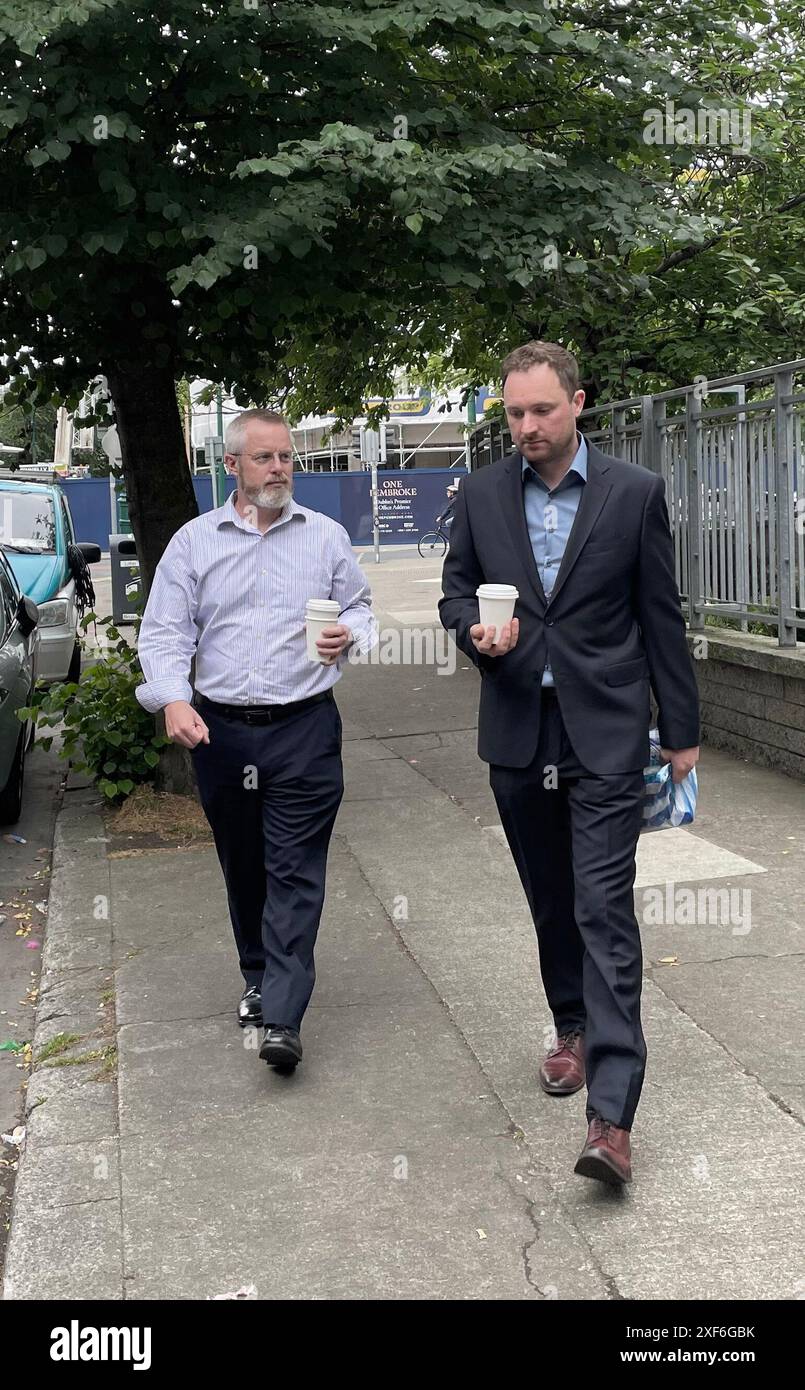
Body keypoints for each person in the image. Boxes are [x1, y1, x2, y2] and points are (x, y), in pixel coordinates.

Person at [439, 341, 700, 1185]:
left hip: (607, 734)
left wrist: (681, 730)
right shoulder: (480, 494)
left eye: (541, 411)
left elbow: (660, 613)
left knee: (603, 911)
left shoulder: (633, 493)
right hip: (518, 727)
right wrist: (471, 632)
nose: (526, 427)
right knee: (551, 900)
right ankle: (572, 1029)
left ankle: (611, 1119)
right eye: (513, 413)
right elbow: (454, 589)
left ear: (576, 402)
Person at [134, 408, 377, 1072]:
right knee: (244, 865)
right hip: (222, 733)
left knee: (294, 868)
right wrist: (172, 697)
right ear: (233, 463)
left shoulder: (324, 537)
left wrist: (349, 634)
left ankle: (282, 1014)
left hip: (304, 728)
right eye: (264, 458)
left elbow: (360, 609)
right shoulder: (193, 542)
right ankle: (256, 974)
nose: (277, 470)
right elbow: (162, 633)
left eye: (286, 458)